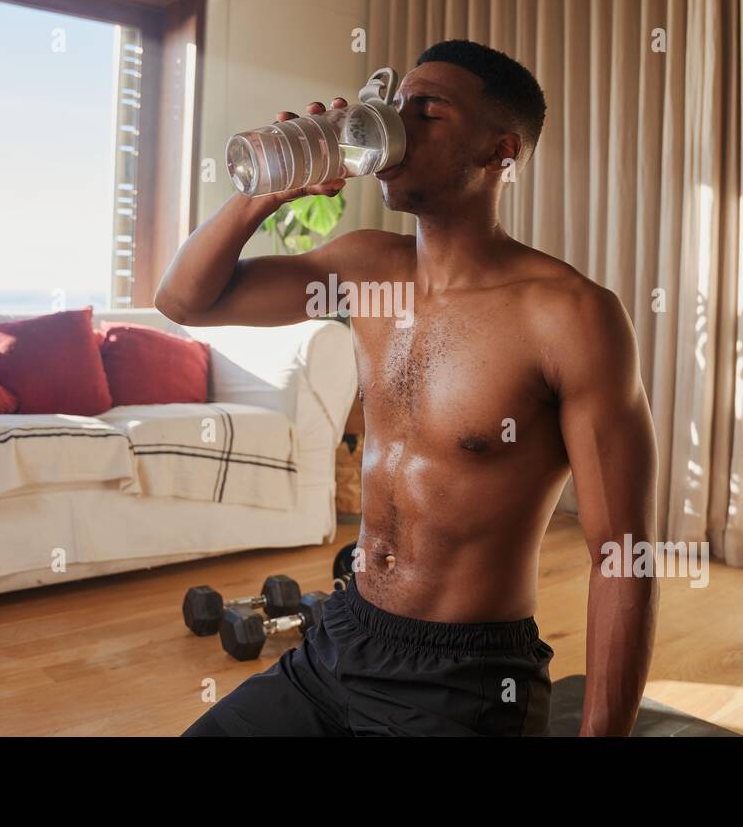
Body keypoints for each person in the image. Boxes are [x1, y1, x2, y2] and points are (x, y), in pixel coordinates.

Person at [158, 39, 658, 736]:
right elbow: (186, 300)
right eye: (395, 107)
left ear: (499, 155)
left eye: (428, 113)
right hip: (341, 639)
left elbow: (621, 557)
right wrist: (268, 189)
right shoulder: (365, 266)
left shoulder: (570, 316)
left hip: (468, 681)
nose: (395, 127)